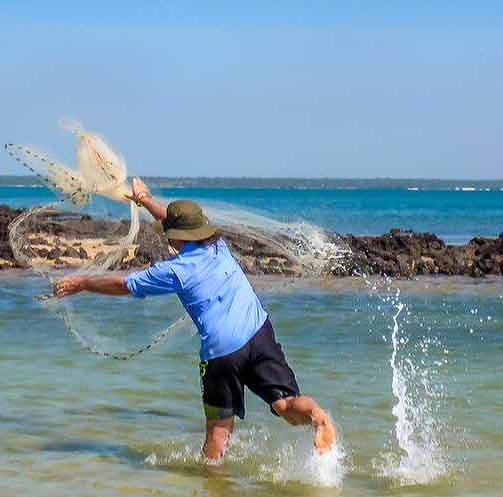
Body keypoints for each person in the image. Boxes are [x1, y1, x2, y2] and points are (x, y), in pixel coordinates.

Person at [53, 177, 336, 460]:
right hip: (259, 332)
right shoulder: (218, 245)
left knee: (218, 430)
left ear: (175, 235)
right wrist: (146, 199)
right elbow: (177, 222)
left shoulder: (174, 270)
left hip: (222, 353)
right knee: (286, 406)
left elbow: (124, 285)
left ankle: (211, 484)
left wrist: (83, 284)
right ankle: (317, 416)